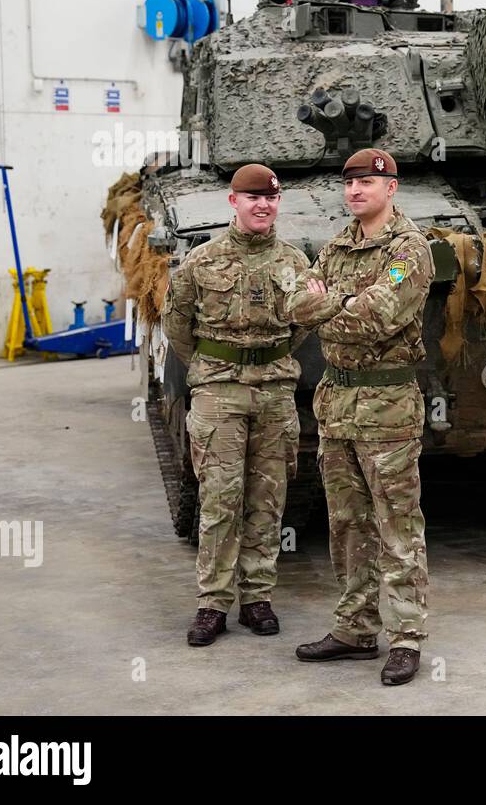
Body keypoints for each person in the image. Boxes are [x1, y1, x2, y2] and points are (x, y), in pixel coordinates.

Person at [289, 148, 434, 686]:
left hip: (388, 407)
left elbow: (377, 317)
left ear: (390, 189)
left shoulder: (410, 250)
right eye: (348, 184)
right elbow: (295, 307)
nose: (355, 192)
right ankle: (355, 628)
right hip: (337, 406)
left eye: (367, 184)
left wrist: (331, 304)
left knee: (398, 524)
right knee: (349, 524)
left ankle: (407, 637)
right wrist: (337, 304)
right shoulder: (335, 248)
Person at [162, 163, 311, 646]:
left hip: (274, 391)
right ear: (234, 202)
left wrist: (266, 362)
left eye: (270, 198)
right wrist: (215, 366)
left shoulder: (294, 262)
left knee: (267, 499)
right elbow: (177, 324)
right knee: (220, 498)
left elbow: (303, 325)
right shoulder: (201, 262)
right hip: (219, 391)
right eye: (252, 198)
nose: (262, 206)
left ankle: (257, 598)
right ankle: (212, 603)